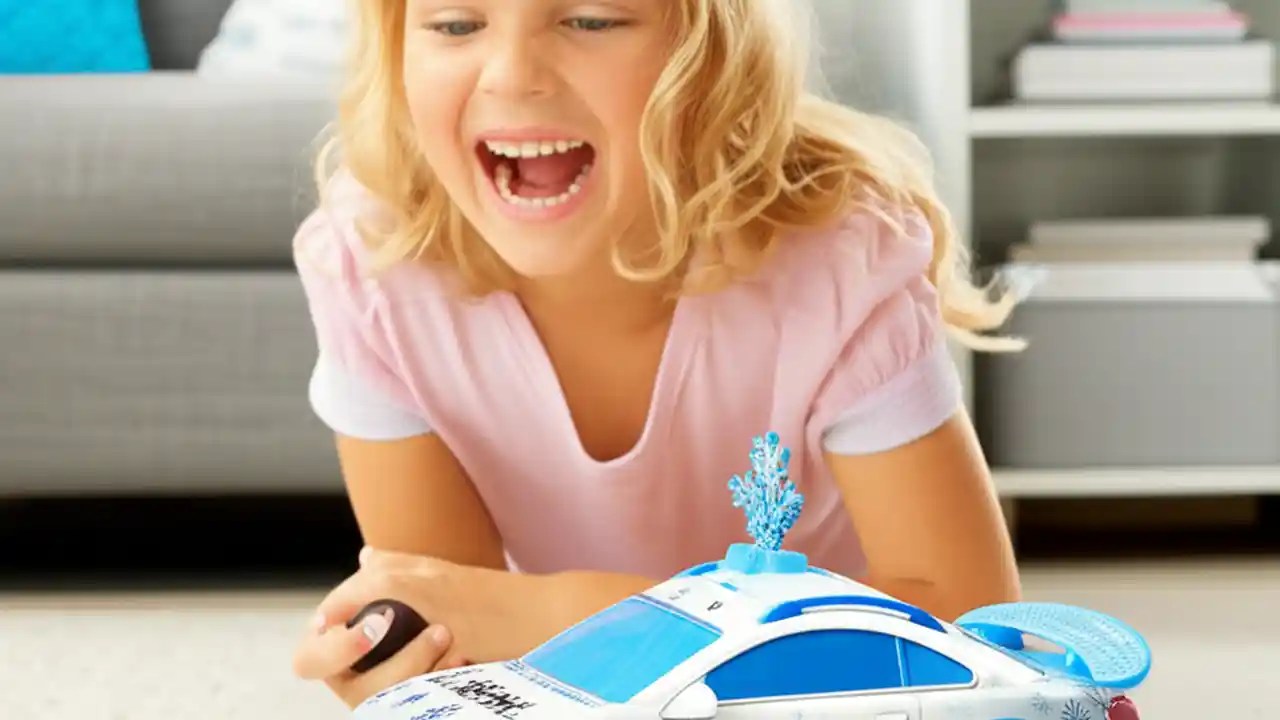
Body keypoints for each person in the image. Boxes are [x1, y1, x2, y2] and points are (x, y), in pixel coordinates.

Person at [290, 0, 1023, 709]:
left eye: (590, 20)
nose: (511, 75)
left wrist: (549, 613)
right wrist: (409, 665)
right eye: (455, 24)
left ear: (708, 54)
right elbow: (453, 617)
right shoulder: (375, 269)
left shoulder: (839, 261)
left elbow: (973, 632)